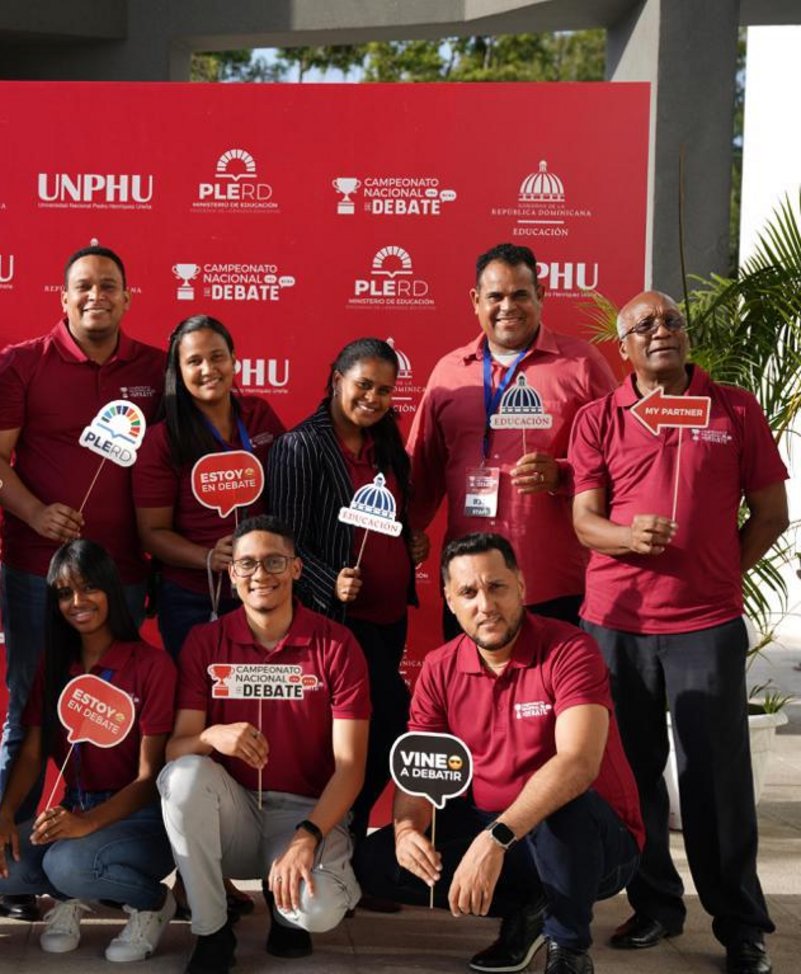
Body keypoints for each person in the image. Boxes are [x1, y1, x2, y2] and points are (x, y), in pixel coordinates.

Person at [569, 291, 789, 974]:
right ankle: (657, 905)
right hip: (616, 623)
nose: (661, 331)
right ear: (624, 349)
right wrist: (628, 537)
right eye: (645, 326)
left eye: (671, 322)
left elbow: (772, 513)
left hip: (707, 626)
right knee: (631, 777)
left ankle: (742, 925)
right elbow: (584, 520)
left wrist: (720, 572)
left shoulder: (735, 409)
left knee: (714, 778)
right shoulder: (596, 418)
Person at [0, 245, 164, 920]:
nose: (96, 297)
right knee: (30, 701)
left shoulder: (155, 367)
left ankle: (111, 843)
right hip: (38, 572)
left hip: (124, 576)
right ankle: (15, 852)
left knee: (122, 710)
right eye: (83, 286)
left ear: (127, 295)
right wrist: (34, 511)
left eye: (109, 286)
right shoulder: (21, 363)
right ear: (62, 297)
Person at [355, 532, 643, 974]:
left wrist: (495, 840)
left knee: (558, 806)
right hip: (497, 825)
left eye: (497, 586)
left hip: (595, 842)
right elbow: (420, 773)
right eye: (468, 592)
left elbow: (578, 764)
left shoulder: (570, 649)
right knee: (377, 864)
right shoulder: (439, 666)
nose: (485, 605)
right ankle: (528, 908)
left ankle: (568, 947)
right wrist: (406, 830)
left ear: (522, 588)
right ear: (450, 601)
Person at [159, 515, 368, 973]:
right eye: (247, 563)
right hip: (234, 815)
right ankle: (212, 932)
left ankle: (285, 906)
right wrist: (212, 737)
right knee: (184, 775)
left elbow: (350, 768)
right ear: (231, 573)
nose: (261, 575)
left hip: (304, 814)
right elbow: (174, 751)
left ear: (295, 568)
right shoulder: (205, 641)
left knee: (317, 910)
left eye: (274, 561)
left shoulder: (337, 644)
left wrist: (307, 838)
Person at [0, 539, 178, 961]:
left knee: (67, 864)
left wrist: (86, 824)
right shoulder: (53, 666)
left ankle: (153, 903)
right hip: (76, 806)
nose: (78, 602)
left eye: (89, 588)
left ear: (110, 589)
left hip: (141, 818)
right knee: (2, 869)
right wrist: (2, 818)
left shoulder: (151, 666)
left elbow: (150, 780)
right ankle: (71, 896)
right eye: (65, 593)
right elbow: (32, 754)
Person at [408, 243, 615, 638]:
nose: (509, 306)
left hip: (554, 582)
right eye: (496, 296)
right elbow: (421, 470)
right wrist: (405, 535)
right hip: (470, 585)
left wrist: (562, 475)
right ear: (475, 301)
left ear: (541, 295)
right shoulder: (449, 372)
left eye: (521, 294)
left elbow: (620, 460)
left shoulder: (581, 365)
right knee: (472, 696)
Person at [267, 337, 426, 841]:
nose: (373, 399)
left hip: (388, 616)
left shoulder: (387, 444)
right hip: (339, 621)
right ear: (337, 380)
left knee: (379, 731)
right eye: (363, 385)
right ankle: (338, 837)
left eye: (384, 390)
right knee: (387, 725)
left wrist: (408, 542)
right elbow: (283, 541)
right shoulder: (301, 446)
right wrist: (326, 579)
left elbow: (390, 515)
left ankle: (342, 838)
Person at [134, 315, 286, 659]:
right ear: (179, 370)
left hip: (266, 588)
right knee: (198, 704)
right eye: (194, 361)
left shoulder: (259, 414)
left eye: (217, 357)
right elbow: (152, 533)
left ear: (234, 359)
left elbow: (291, 490)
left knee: (258, 705)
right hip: (194, 599)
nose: (208, 369)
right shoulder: (163, 439)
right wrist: (207, 558)